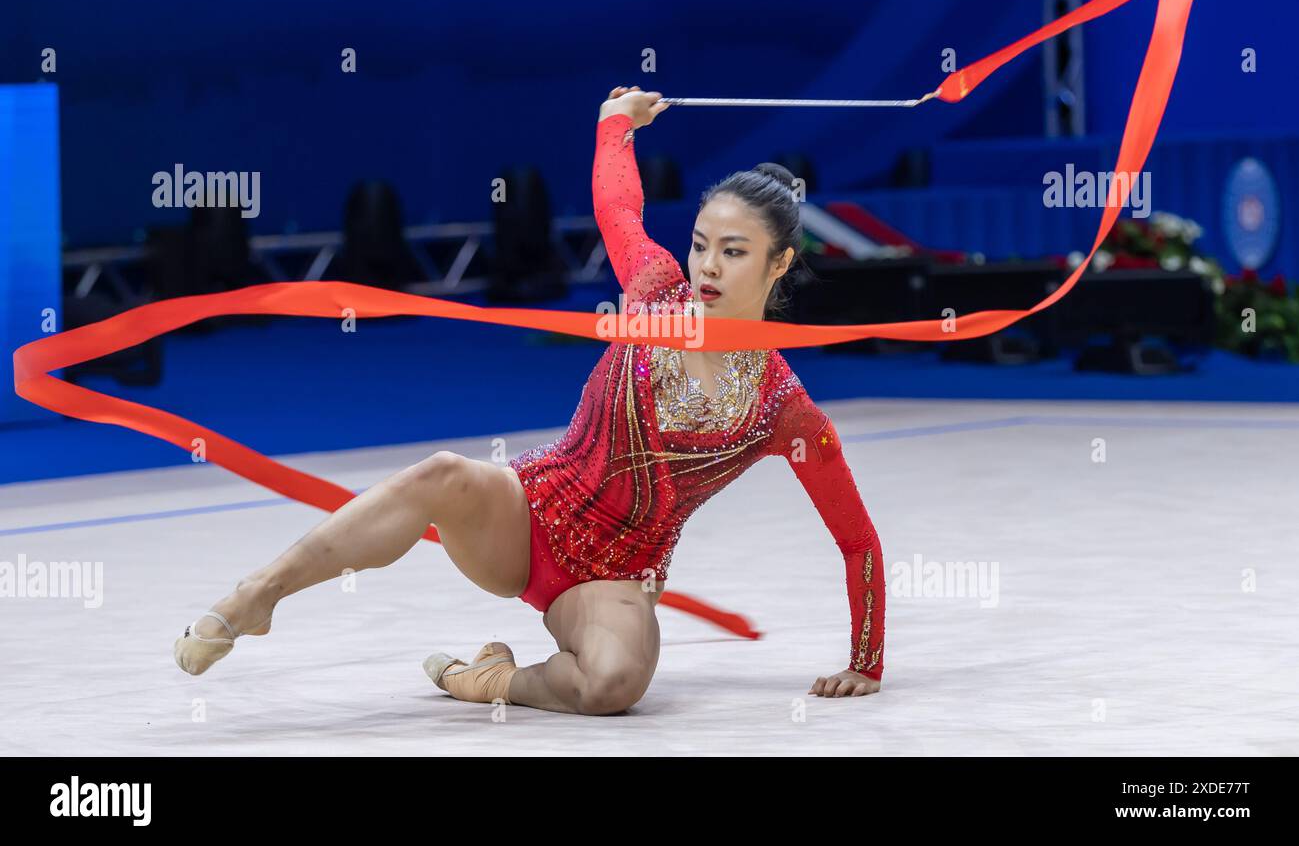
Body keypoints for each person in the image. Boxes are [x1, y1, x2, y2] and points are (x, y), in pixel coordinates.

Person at [174, 86, 886, 713]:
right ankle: (258, 596)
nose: (707, 266)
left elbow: (856, 538)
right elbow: (618, 206)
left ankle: (493, 681)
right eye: (702, 244)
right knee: (442, 473)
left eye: (733, 252)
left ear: (779, 262)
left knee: (613, 685)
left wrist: (865, 661)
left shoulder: (782, 409)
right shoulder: (653, 290)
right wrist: (615, 123)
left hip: (615, 580)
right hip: (524, 517)